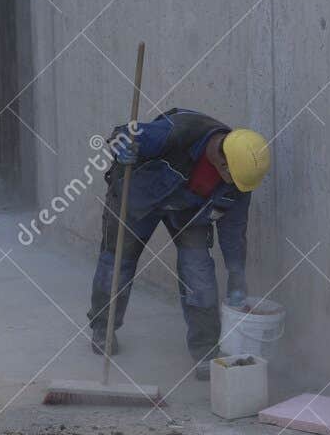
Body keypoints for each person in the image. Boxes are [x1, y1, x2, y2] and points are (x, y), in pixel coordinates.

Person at [87, 108, 271, 380]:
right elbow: (123, 133)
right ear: (223, 163)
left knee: (199, 274)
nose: (235, 185)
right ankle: (103, 328)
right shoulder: (177, 132)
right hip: (137, 199)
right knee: (117, 264)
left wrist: (236, 273)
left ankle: (205, 350)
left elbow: (234, 230)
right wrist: (122, 146)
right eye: (232, 178)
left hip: (189, 211)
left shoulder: (241, 172)